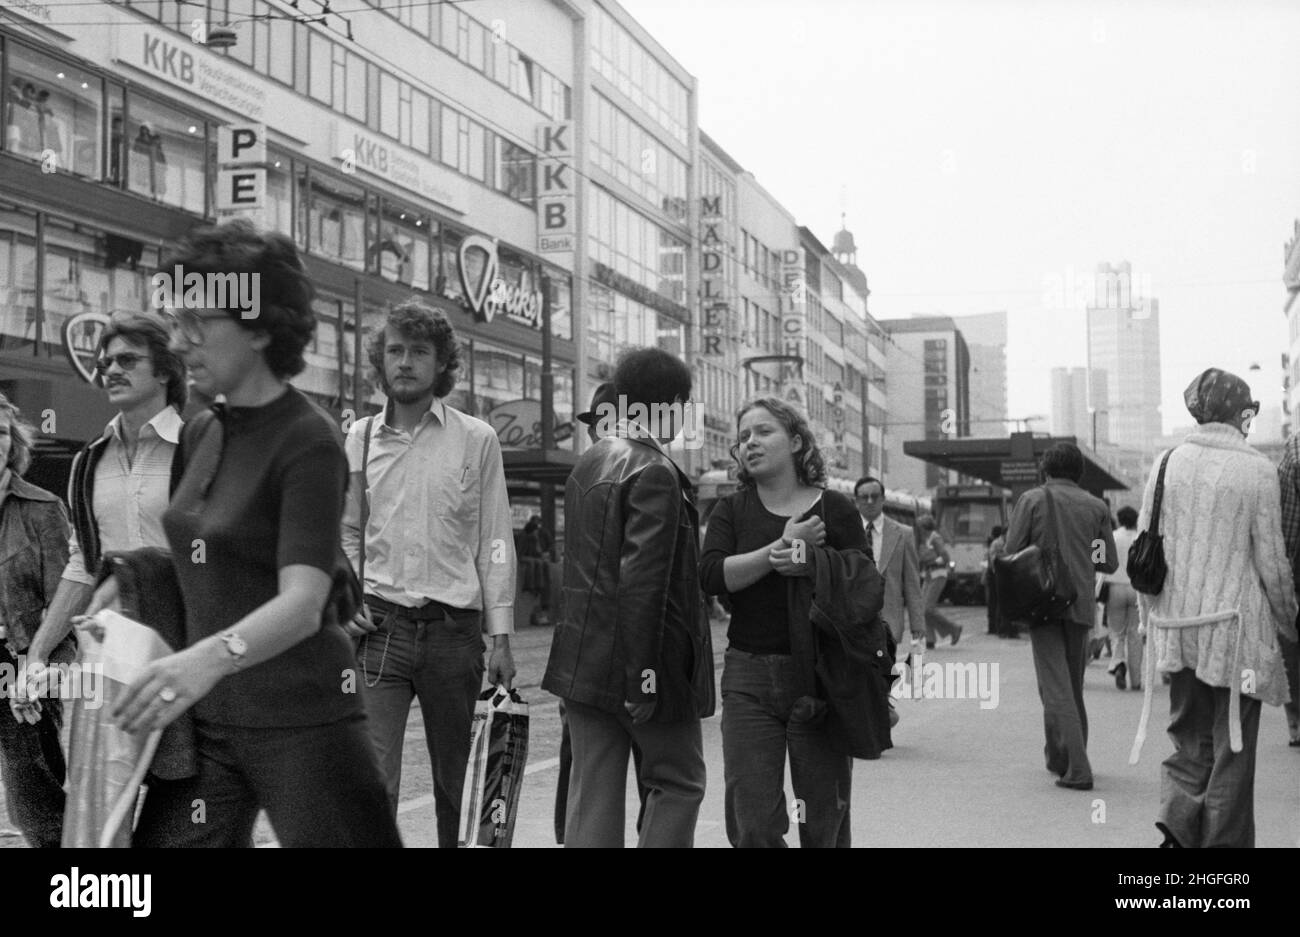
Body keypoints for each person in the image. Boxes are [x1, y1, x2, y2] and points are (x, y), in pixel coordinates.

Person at [88, 219, 400, 847]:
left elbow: (302, 603)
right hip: (208, 725)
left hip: (303, 718)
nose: (180, 343)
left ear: (259, 327)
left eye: (198, 324)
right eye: (177, 324)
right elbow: (207, 551)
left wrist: (207, 658)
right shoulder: (204, 429)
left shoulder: (308, 439)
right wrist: (127, 580)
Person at [340, 299, 516, 848]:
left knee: (456, 785)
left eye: (420, 352)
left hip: (454, 634)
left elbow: (494, 541)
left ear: (442, 364)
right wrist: (347, 597)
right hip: (379, 632)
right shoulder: (359, 438)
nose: (406, 362)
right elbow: (345, 531)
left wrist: (502, 637)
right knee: (372, 783)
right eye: (396, 350)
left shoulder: (476, 438)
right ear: (380, 360)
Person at [543, 348, 715, 847]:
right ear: (673, 405)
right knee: (678, 781)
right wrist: (643, 678)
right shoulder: (654, 470)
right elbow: (643, 584)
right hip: (645, 667)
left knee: (593, 788)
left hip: (583, 666)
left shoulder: (589, 462)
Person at [701, 397, 879, 848]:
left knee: (823, 818)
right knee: (753, 821)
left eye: (763, 432)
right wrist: (780, 547)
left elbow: (865, 587)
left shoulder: (835, 508)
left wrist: (812, 562)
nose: (750, 443)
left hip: (821, 675)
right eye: (743, 437)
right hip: (748, 677)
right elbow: (712, 576)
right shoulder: (731, 510)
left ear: (796, 441)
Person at [1135, 368, 1296, 847]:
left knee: (1188, 739)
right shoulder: (1257, 471)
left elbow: (1146, 550)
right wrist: (1288, 622)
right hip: (1237, 634)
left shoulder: (1166, 464)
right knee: (1233, 748)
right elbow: (1272, 561)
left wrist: (1149, 623)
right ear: (1239, 414)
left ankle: (1179, 833)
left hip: (1178, 627)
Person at [26, 312, 186, 708]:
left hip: (184, 654)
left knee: (181, 771)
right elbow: (84, 562)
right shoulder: (89, 461)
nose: (111, 370)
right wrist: (37, 655)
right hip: (109, 658)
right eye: (105, 363)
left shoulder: (196, 450)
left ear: (166, 371)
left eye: (127, 360)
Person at [553, 381, 650, 844]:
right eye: (598, 426)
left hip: (622, 663)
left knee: (645, 787)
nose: (603, 435)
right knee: (592, 791)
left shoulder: (646, 476)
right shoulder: (585, 480)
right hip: (592, 665)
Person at [1004, 442, 1117, 791]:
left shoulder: (1033, 500)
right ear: (1079, 472)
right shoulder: (1097, 507)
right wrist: (1081, 555)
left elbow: (1012, 550)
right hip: (1080, 605)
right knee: (1070, 687)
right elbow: (1106, 561)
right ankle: (1059, 756)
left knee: (1054, 690)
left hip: (1044, 604)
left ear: (1046, 469)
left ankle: (1079, 768)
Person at [0, 393, 70, 848]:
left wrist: (41, 670)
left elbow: (67, 601)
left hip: (23, 658)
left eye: (1, 432)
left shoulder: (43, 509)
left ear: (13, 443)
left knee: (34, 799)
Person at [854, 475, 925, 727]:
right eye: (864, 497)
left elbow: (912, 584)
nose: (870, 501)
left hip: (889, 620)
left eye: (875, 496)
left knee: (882, 672)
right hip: (855, 619)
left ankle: (881, 716)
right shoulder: (848, 533)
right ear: (857, 501)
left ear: (883, 499)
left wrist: (918, 627)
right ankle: (881, 715)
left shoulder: (903, 534)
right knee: (860, 673)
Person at [1102, 506, 1141, 691]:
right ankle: (1136, 680)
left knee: (1116, 632)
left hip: (1114, 587)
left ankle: (1118, 664)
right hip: (1136, 589)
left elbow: (1098, 562)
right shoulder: (1141, 537)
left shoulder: (1111, 537)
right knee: (1135, 634)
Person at [1278, 423, 1300, 746]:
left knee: (1292, 645)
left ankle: (1296, 719)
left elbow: (1290, 524)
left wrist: (1285, 583)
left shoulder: (1295, 451)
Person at [916, 514, 961, 648]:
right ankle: (930, 639)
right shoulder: (926, 539)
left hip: (938, 574)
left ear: (925, 527)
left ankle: (953, 628)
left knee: (928, 608)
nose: (918, 529)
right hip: (928, 575)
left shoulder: (935, 538)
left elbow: (945, 557)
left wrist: (933, 561)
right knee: (922, 608)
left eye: (920, 527)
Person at [984, 525, 1007, 636]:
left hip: (994, 574)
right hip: (996, 574)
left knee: (993, 602)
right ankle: (995, 627)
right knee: (996, 601)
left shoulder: (993, 543)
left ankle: (994, 627)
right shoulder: (997, 543)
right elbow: (993, 560)